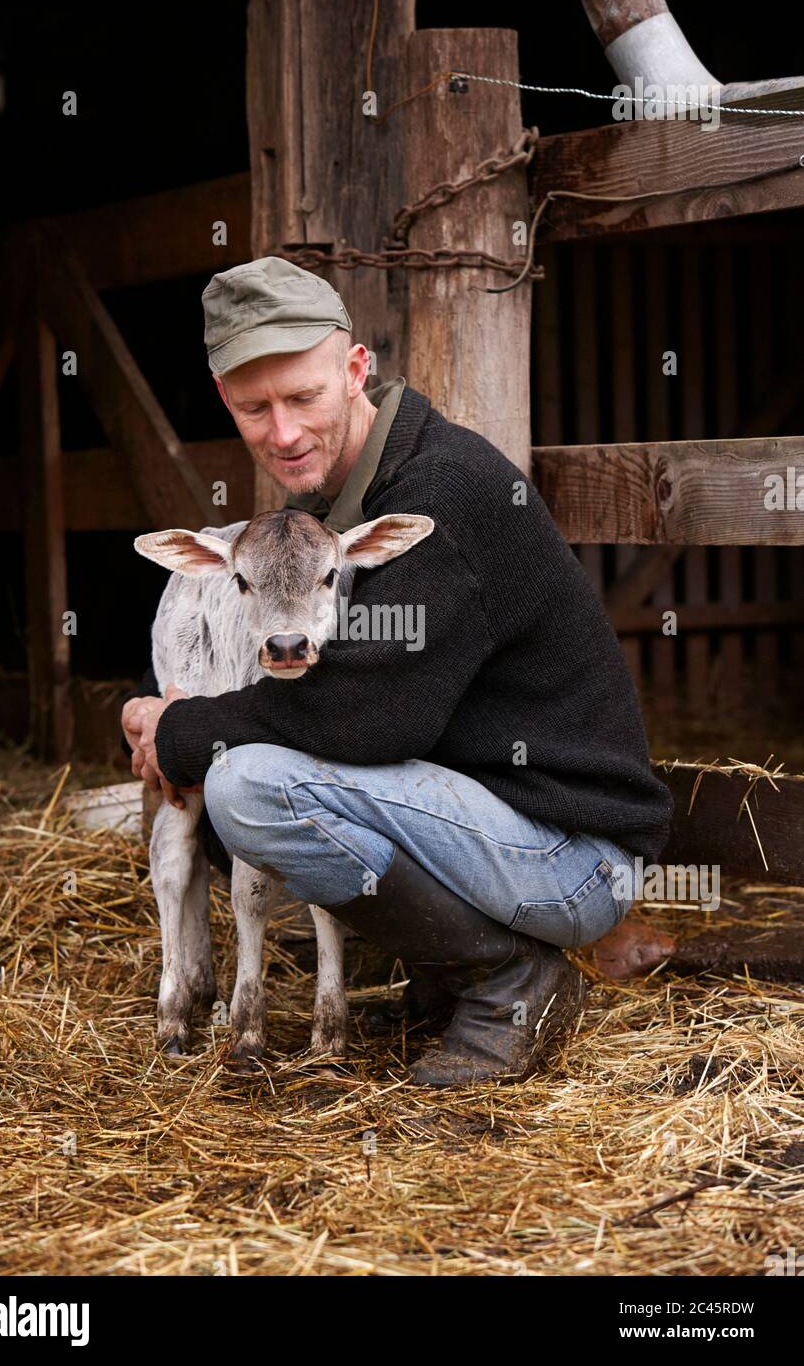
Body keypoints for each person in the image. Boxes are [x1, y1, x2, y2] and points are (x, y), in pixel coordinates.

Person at [121, 255, 673, 1087]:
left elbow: (369, 718)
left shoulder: (441, 494)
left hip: (572, 853)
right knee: (255, 769)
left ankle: (509, 978)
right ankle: (454, 969)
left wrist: (183, 729)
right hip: (497, 825)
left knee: (250, 788)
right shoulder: (319, 518)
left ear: (354, 371)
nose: (283, 433)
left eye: (304, 397)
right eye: (254, 408)